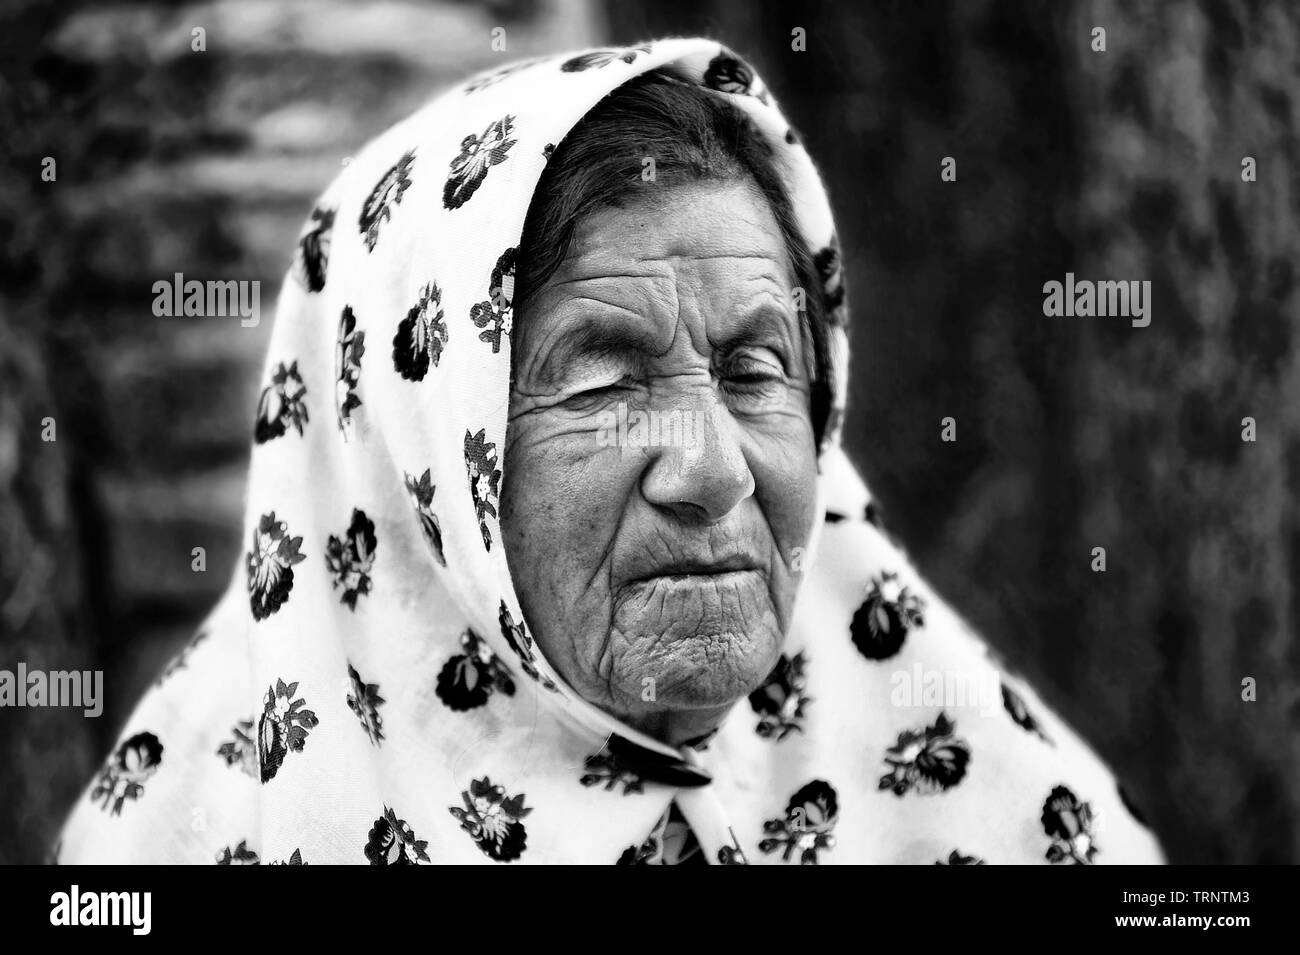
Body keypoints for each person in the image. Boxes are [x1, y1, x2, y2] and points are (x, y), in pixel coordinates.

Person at [56, 37, 1163, 865]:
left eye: (754, 369)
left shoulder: (982, 797)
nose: (715, 471)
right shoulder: (178, 845)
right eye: (604, 380)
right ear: (426, 461)